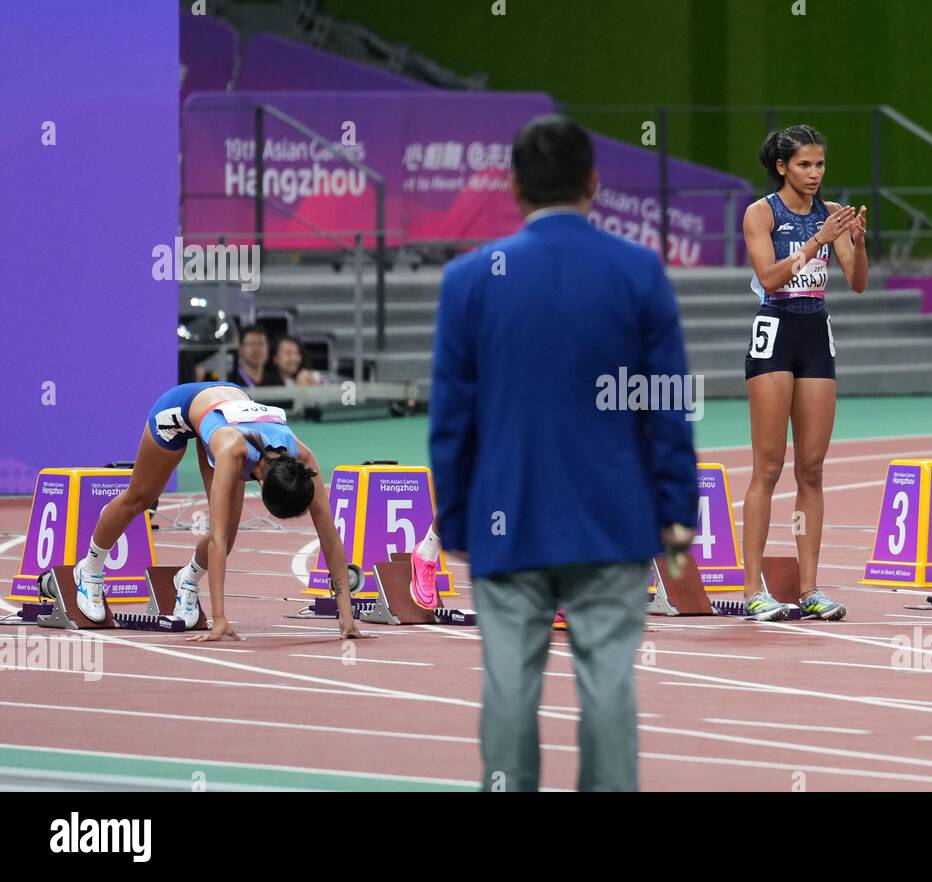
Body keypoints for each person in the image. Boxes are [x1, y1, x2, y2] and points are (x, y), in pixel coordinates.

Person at [429, 114, 698, 792]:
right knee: (609, 682)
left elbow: (451, 420)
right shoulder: (638, 271)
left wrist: (455, 520)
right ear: (594, 183)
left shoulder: (468, 280)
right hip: (613, 519)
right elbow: (668, 403)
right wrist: (676, 510)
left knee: (507, 688)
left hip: (506, 517)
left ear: (515, 187)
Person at [71, 381, 367, 641]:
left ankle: (186, 580)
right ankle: (90, 569)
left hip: (226, 406)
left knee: (229, 535)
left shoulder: (303, 459)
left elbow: (330, 538)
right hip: (180, 409)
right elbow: (217, 539)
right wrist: (220, 618)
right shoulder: (232, 451)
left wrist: (346, 615)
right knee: (140, 498)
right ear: (261, 484)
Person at [739, 124, 867, 622]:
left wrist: (858, 241)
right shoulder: (761, 213)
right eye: (804, 165)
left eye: (820, 164)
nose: (815, 174)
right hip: (775, 331)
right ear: (782, 167)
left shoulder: (831, 213)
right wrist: (818, 240)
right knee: (768, 467)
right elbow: (770, 277)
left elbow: (856, 282)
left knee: (811, 468)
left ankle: (810, 588)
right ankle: (754, 591)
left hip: (816, 335)